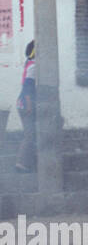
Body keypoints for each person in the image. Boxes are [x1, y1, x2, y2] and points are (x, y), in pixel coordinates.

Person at [14, 40, 35, 173]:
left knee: (31, 134)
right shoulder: (34, 66)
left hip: (24, 103)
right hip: (25, 104)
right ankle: (20, 163)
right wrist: (29, 106)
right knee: (29, 135)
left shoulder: (30, 63)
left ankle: (26, 163)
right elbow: (27, 88)